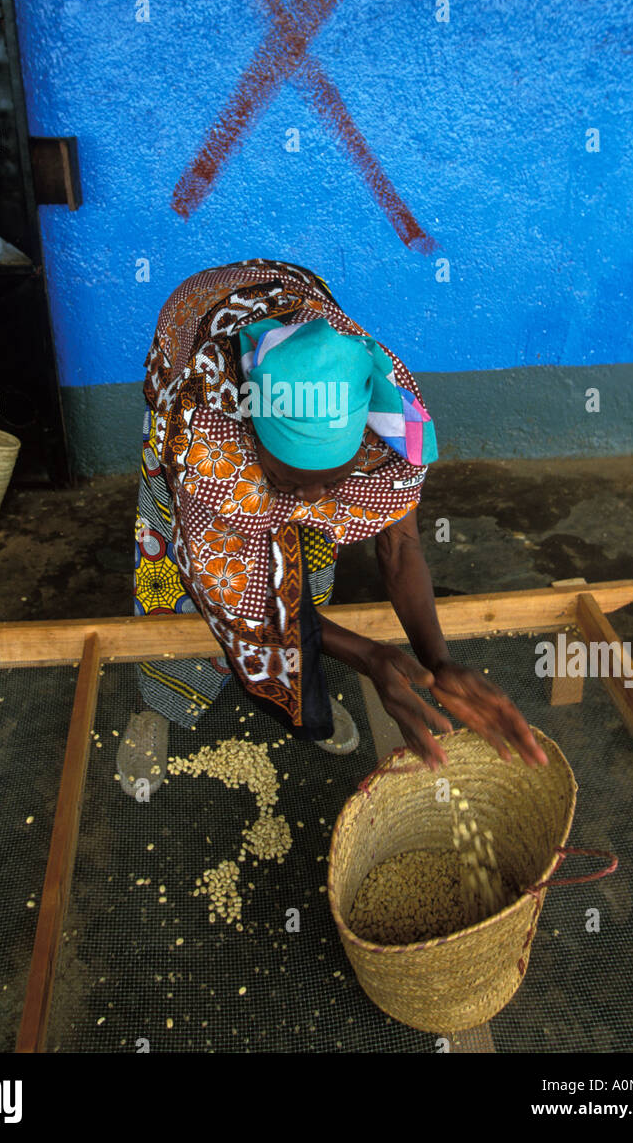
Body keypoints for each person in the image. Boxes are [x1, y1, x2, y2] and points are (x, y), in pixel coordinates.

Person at [120, 258, 546, 795]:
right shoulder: (209, 441)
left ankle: (306, 673)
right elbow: (228, 595)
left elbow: (399, 546)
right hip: (190, 325)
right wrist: (371, 657)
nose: (315, 498)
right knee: (177, 570)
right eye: (290, 480)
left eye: (333, 480)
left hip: (289, 297)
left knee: (306, 561)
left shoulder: (385, 422)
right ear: (256, 440)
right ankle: (159, 702)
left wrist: (438, 661)